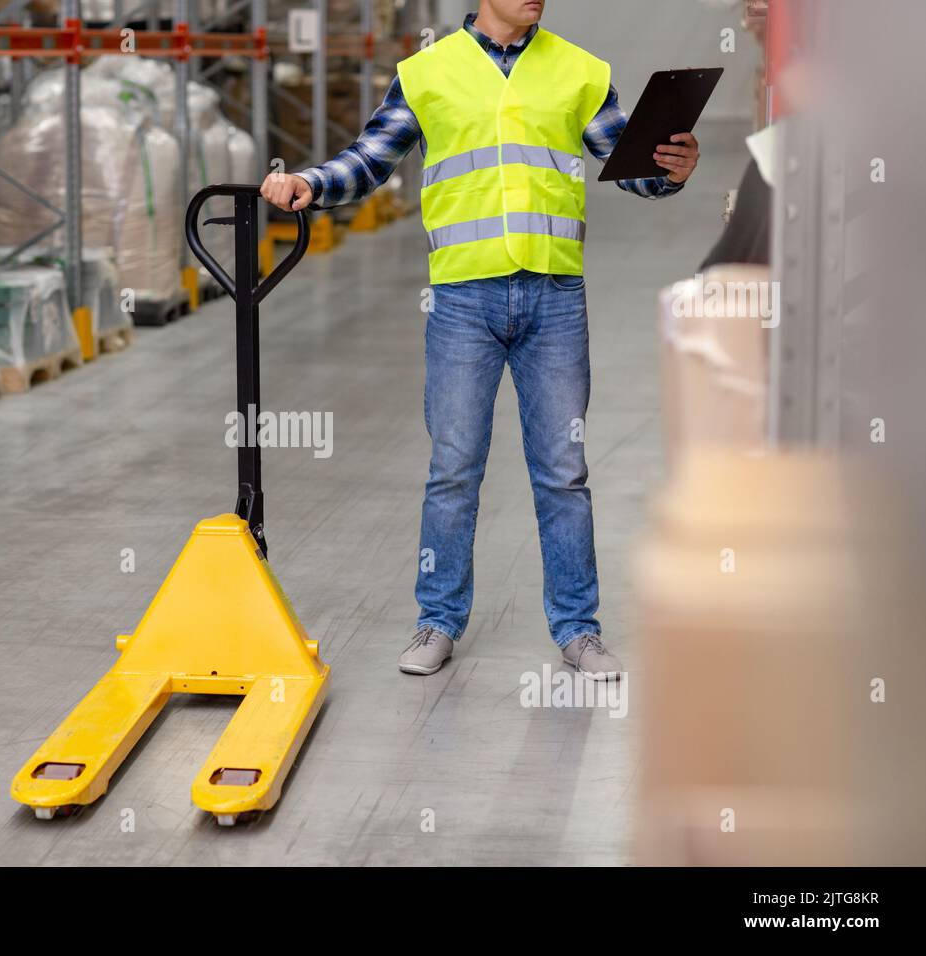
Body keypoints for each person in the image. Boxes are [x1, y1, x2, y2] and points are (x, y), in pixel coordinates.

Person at [261, 0, 700, 680]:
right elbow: (370, 160)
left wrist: (670, 169)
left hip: (553, 294)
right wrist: (306, 183)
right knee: (454, 469)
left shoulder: (582, 71)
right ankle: (437, 622)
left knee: (564, 472)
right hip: (464, 298)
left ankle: (579, 632)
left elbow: (632, 166)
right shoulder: (426, 71)